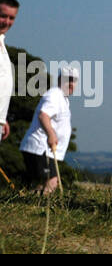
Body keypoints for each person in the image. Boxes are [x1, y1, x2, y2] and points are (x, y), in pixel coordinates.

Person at [20, 65, 76, 195]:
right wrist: (51, 134)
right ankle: (34, 207)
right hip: (40, 148)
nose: (71, 84)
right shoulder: (54, 95)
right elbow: (43, 115)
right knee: (51, 183)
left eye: (73, 81)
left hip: (45, 150)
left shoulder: (63, 98)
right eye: (68, 80)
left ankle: (30, 202)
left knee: (46, 184)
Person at [0, 0, 18, 142]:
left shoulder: (2, 42)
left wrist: (2, 119)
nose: (7, 22)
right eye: (3, 16)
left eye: (11, 18)